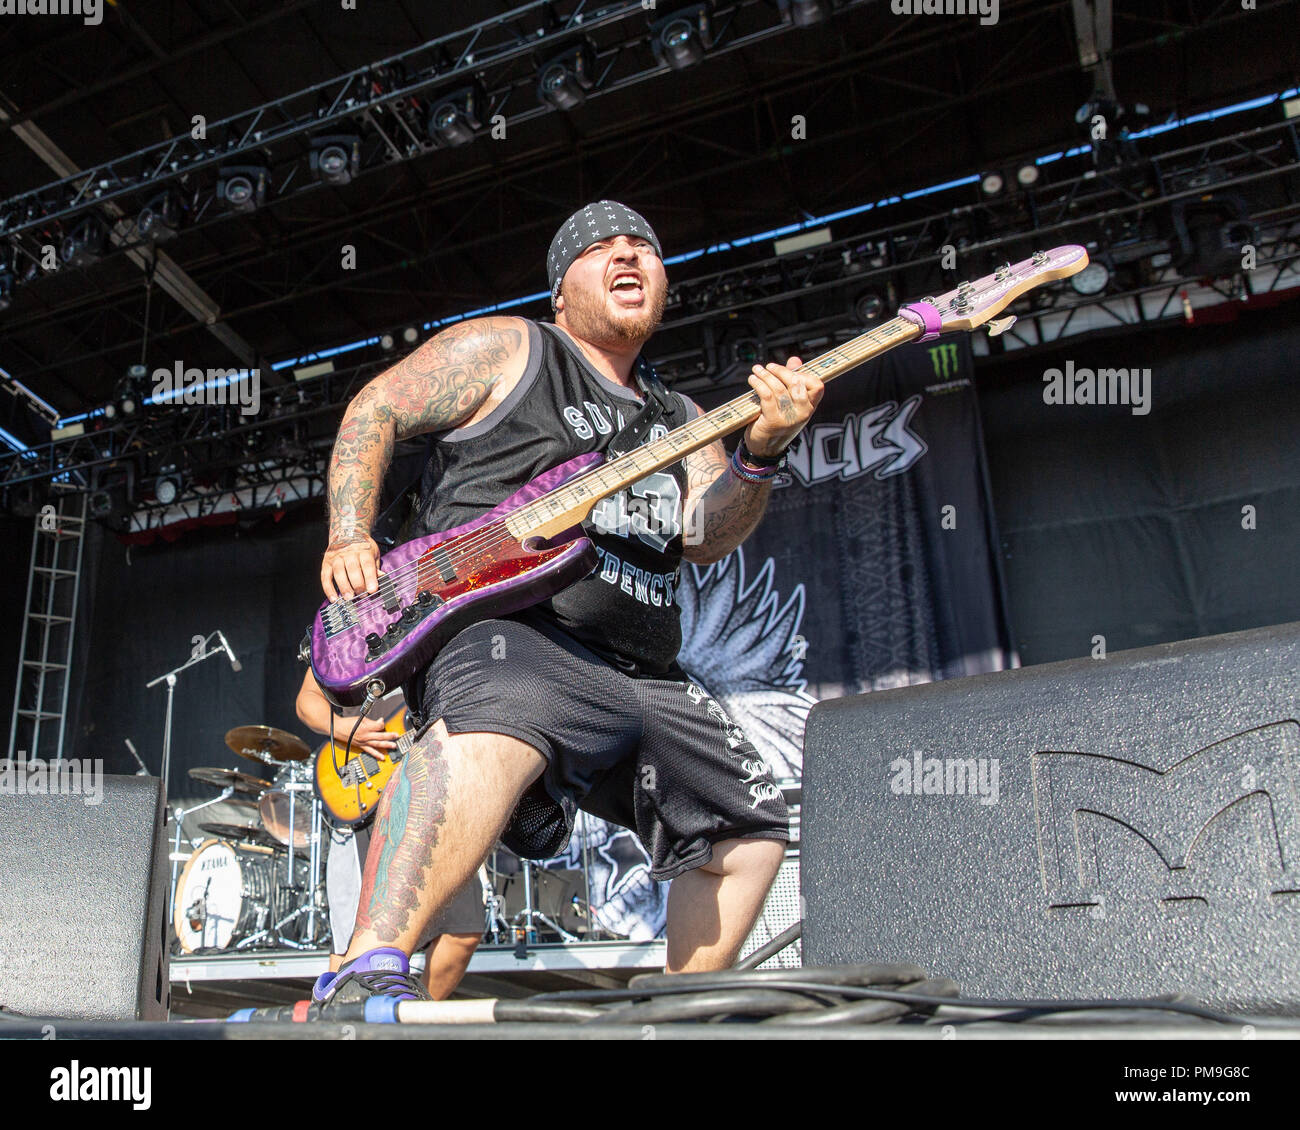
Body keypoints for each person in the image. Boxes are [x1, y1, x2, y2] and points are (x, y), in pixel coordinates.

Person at [312, 200, 824, 1011]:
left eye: (646, 250)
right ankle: (365, 969)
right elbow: (375, 408)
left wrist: (762, 454)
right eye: (604, 250)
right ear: (561, 290)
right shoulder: (511, 349)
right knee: (494, 719)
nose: (629, 257)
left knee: (747, 825)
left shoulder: (682, 417)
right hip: (518, 634)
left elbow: (704, 534)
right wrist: (349, 534)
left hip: (646, 669)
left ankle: (680, 1014)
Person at [295, 669, 482, 999]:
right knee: (355, 946)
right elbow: (307, 701)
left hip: (434, 785)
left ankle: (411, 1022)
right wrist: (344, 728)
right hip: (364, 788)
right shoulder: (342, 621)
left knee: (463, 928)